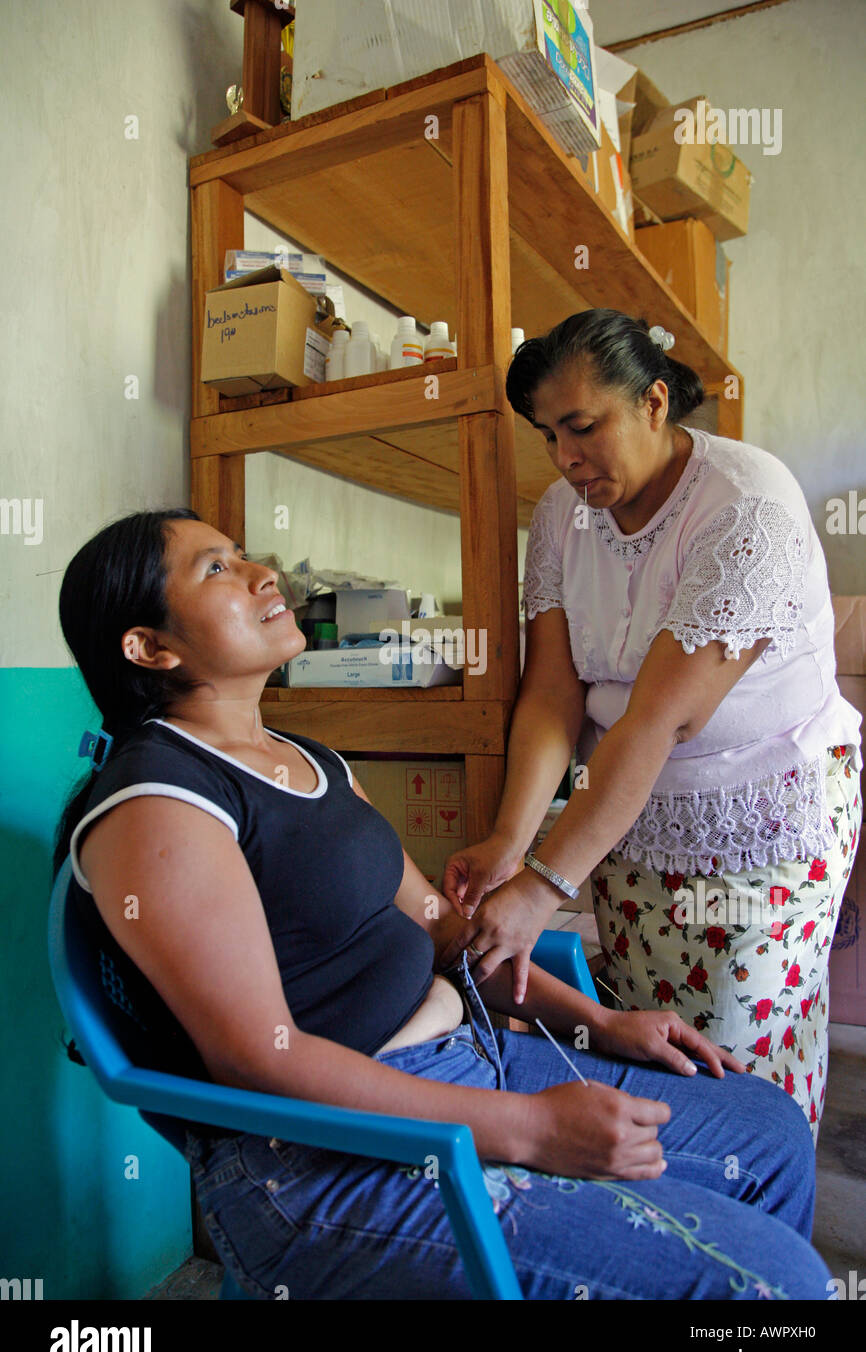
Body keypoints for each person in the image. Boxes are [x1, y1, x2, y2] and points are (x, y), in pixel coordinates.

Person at [52, 508, 834, 1301]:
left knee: (768, 1133)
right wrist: (529, 1131)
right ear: (150, 648)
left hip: (467, 1058)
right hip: (324, 1158)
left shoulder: (309, 761)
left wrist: (596, 1023)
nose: (264, 575)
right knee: (777, 1286)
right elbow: (259, 1058)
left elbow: (437, 929)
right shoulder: (159, 803)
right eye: (215, 569)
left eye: (244, 555)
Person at [441, 309, 862, 1143]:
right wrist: (510, 843)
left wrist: (543, 888)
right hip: (626, 822)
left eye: (583, 427)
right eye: (547, 435)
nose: (565, 459)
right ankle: (671, 1235)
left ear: (655, 403)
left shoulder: (747, 508)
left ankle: (764, 1246)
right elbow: (553, 694)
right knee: (648, 1037)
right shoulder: (565, 516)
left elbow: (657, 721)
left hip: (764, 819)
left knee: (738, 1056)